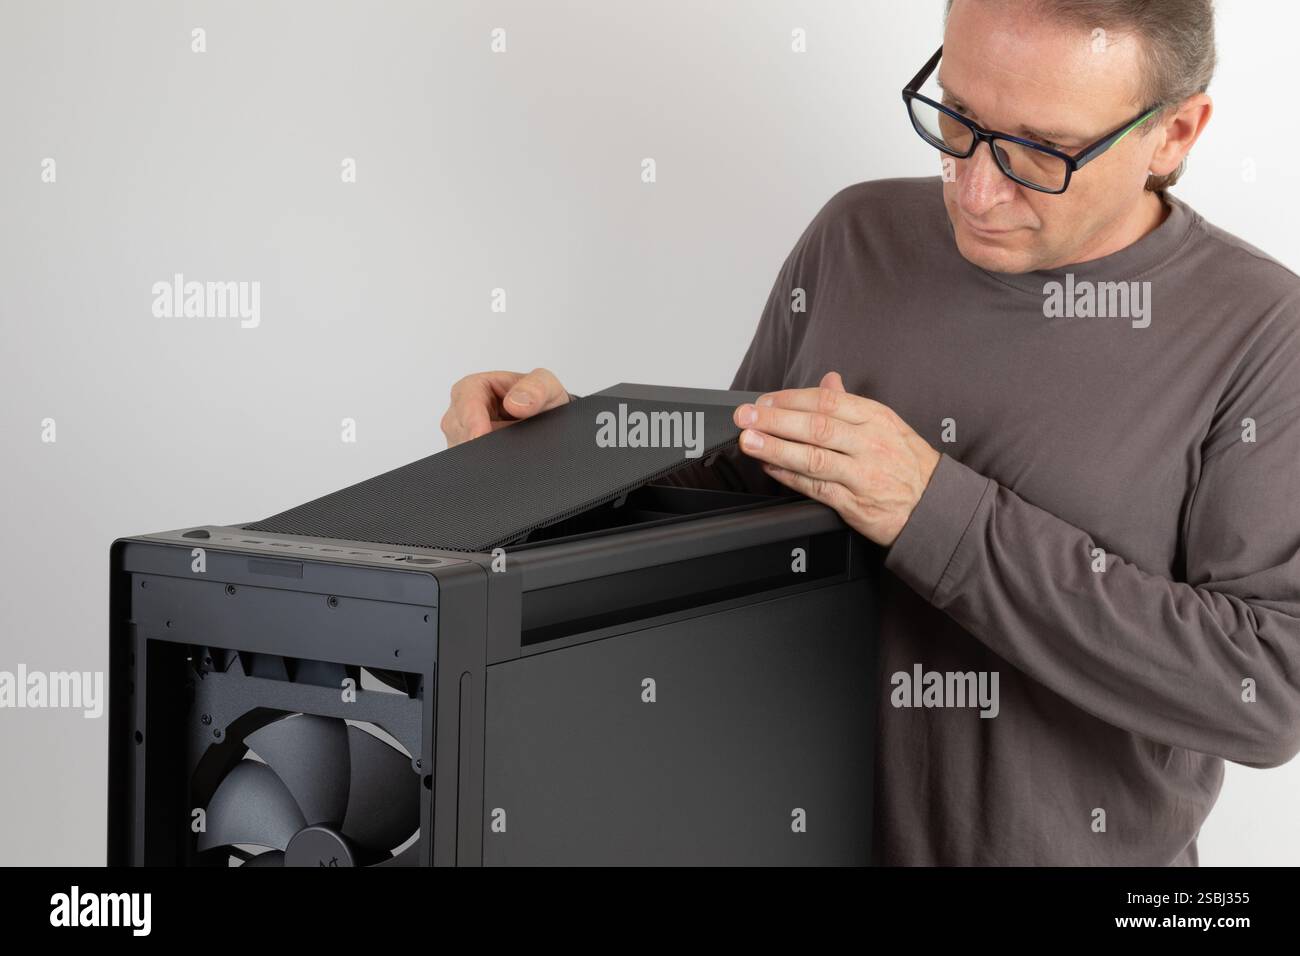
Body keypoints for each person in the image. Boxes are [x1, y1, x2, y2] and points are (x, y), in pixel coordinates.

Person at [440, 0, 1300, 865]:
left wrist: (938, 515)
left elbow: (1270, 691)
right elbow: (742, 496)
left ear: (1176, 133)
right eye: (957, 120)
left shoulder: (1265, 332)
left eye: (1042, 151)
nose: (975, 188)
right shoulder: (855, 236)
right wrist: (560, 456)